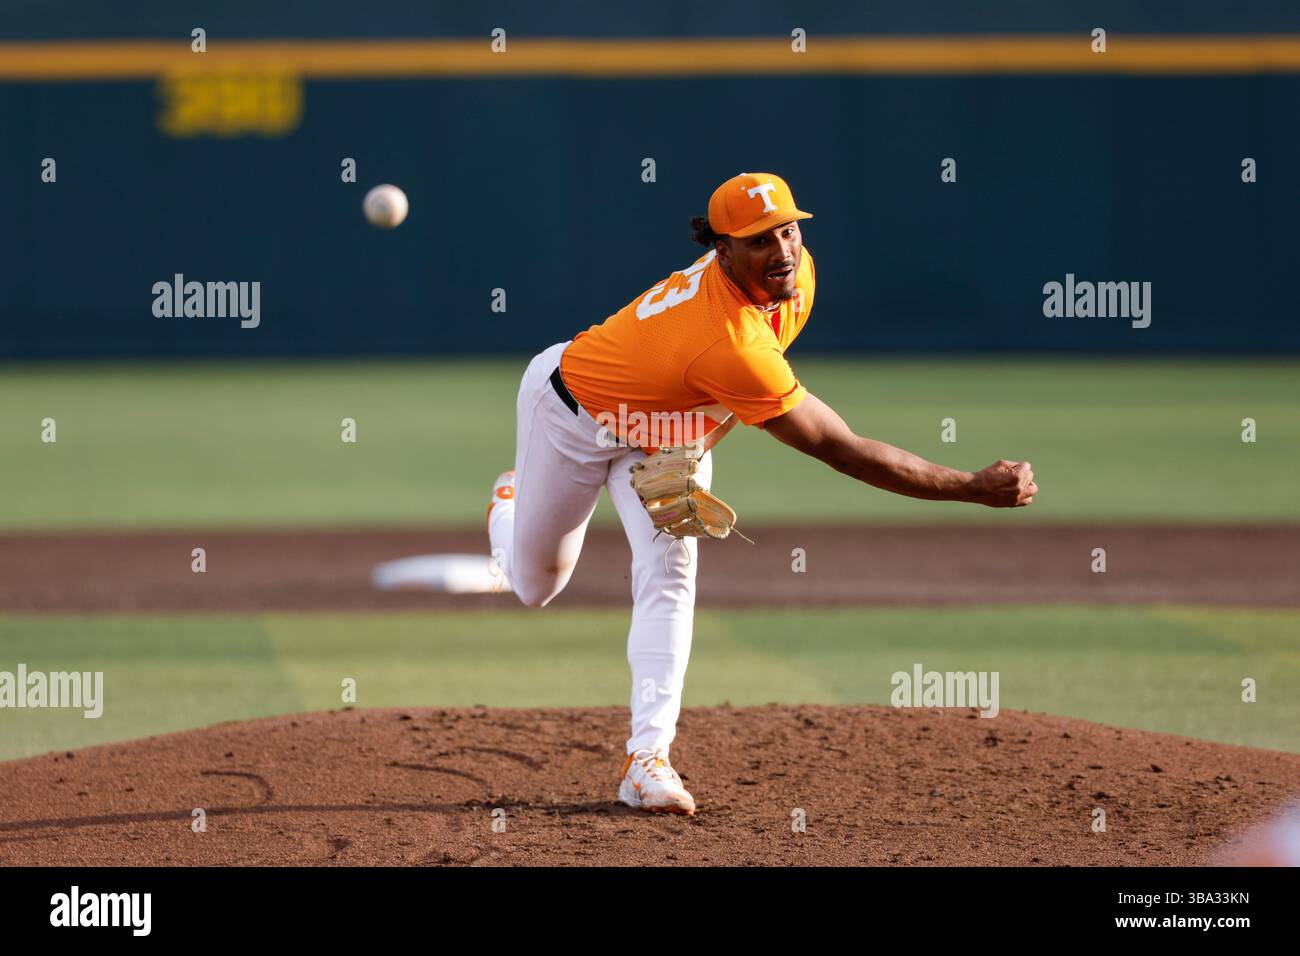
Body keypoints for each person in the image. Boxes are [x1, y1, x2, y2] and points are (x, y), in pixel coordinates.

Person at [486, 172, 1037, 815]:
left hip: (667, 434)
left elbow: (724, 388)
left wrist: (689, 450)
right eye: (758, 240)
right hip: (573, 413)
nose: (781, 250)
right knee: (534, 587)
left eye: (788, 229)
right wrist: (969, 486)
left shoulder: (794, 276)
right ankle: (510, 500)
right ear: (722, 251)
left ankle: (647, 760)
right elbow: (840, 448)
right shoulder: (726, 338)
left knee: (670, 572)